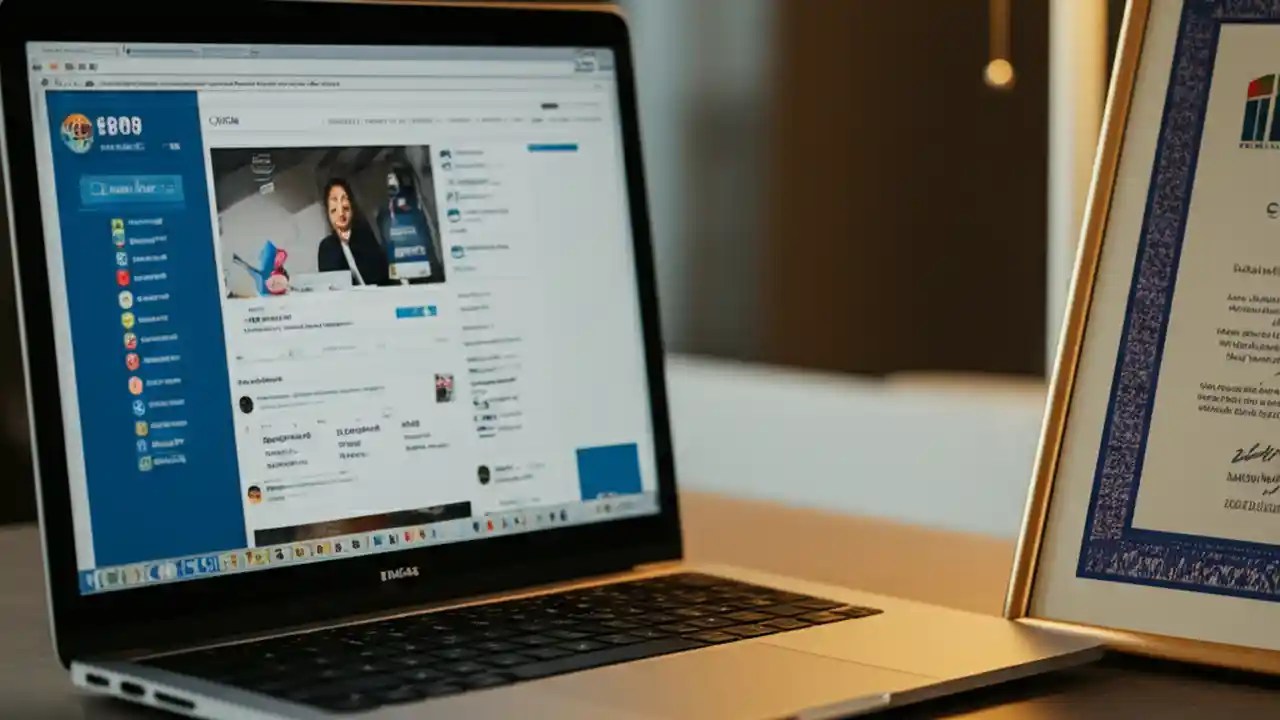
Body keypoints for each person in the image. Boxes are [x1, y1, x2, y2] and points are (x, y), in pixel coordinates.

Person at [316, 178, 390, 286]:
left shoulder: (365, 238)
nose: (341, 214)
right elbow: (331, 284)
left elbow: (379, 275)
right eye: (334, 210)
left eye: (345, 208)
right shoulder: (326, 247)